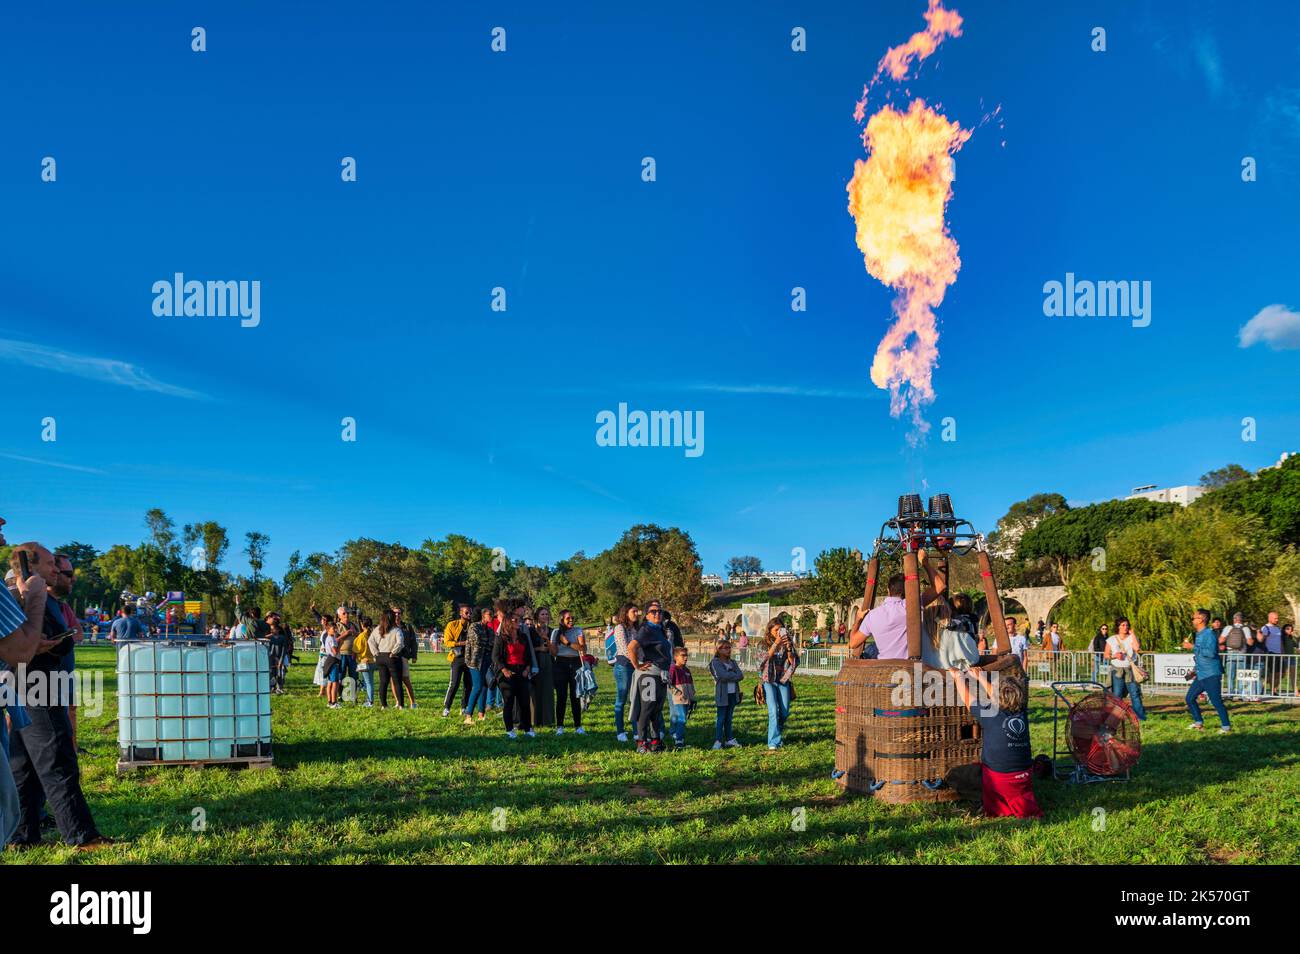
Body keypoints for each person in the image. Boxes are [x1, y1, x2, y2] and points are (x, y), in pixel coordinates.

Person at [5, 542, 107, 849]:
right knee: (58, 762)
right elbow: (17, 646)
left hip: (29, 688)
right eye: (50, 564)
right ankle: (82, 836)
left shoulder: (44, 599)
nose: (56, 570)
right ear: (30, 567)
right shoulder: (21, 596)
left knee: (23, 767)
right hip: (38, 688)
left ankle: (21, 836)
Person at [961, 655, 1042, 819]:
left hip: (999, 780)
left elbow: (967, 698)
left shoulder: (989, 713)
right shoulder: (1022, 712)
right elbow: (1000, 695)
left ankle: (998, 806)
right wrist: (981, 677)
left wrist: (957, 677)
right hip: (1025, 778)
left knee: (977, 769)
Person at [627, 604, 671, 753]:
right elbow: (631, 647)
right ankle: (641, 742)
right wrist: (637, 666)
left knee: (657, 710)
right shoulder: (647, 629)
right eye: (653, 611)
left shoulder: (660, 630)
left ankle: (655, 740)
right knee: (646, 709)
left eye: (660, 611)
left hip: (661, 674)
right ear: (646, 615)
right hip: (649, 675)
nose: (657, 613)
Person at [1183, 608, 1231, 733]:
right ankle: (1198, 722)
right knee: (1189, 698)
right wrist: (1194, 670)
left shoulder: (1209, 634)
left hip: (1211, 674)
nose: (1192, 620)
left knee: (1216, 701)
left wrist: (1192, 647)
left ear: (1202, 619)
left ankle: (1226, 727)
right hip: (1201, 674)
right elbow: (1200, 655)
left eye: (1194, 618)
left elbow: (1211, 653)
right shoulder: (1199, 634)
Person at [756, 621, 798, 751]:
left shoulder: (787, 643)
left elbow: (794, 662)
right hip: (768, 680)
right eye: (776, 630)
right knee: (773, 710)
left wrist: (789, 648)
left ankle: (776, 731)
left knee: (784, 711)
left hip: (782, 679)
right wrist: (776, 643)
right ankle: (773, 742)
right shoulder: (762, 644)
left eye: (781, 629)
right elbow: (762, 659)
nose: (779, 632)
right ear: (770, 630)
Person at [492, 610, 534, 738]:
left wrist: (527, 669)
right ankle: (510, 730)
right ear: (507, 622)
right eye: (514, 620)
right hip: (506, 673)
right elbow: (495, 657)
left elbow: (528, 656)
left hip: (522, 672)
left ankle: (528, 729)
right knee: (508, 702)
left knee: (525, 703)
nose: (517, 622)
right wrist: (504, 670)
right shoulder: (501, 638)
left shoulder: (523, 637)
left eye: (518, 620)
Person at [551, 609, 586, 735]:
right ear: (561, 620)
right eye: (568, 618)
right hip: (560, 664)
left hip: (576, 663)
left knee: (575, 696)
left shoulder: (578, 630)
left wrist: (568, 643)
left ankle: (578, 726)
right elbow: (554, 653)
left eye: (572, 618)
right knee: (561, 697)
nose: (571, 620)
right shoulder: (556, 632)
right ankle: (559, 727)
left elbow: (582, 648)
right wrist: (552, 643)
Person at [1103, 617, 1145, 721]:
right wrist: (1115, 656)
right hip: (1117, 670)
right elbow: (1106, 655)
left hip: (1130, 669)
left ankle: (1139, 716)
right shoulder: (1111, 639)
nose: (1125, 627)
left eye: (1127, 625)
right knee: (1117, 694)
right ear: (1118, 627)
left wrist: (1133, 634)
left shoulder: (1132, 637)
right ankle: (1116, 716)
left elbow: (1137, 648)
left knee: (1134, 693)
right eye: (1123, 625)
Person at [610, 603, 640, 742]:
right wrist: (637, 662)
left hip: (636, 666)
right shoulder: (620, 628)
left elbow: (641, 648)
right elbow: (624, 648)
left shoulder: (637, 628)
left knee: (635, 699)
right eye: (634, 611)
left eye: (637, 611)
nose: (637, 613)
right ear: (626, 613)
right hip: (624, 666)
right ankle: (620, 731)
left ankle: (636, 731)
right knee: (621, 700)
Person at [708, 638, 744, 749]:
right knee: (721, 718)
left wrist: (729, 675)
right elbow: (721, 676)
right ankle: (718, 740)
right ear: (718, 649)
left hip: (733, 694)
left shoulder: (732, 662)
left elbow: (741, 675)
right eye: (725, 648)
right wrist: (733, 675)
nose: (728, 650)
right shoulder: (715, 662)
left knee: (729, 718)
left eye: (729, 647)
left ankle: (729, 739)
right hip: (722, 695)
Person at [441, 604, 473, 717]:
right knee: (454, 684)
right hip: (457, 657)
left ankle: (464, 707)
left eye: (470, 613)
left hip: (470, 658)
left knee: (468, 685)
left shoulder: (472, 626)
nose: (469, 615)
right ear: (461, 613)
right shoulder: (452, 625)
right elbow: (447, 642)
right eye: (466, 613)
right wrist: (461, 643)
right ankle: (447, 708)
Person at [464, 608, 495, 723]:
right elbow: (477, 642)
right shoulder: (474, 627)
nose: (492, 616)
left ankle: (481, 714)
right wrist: (488, 644)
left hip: (487, 661)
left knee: (484, 687)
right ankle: (468, 715)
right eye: (489, 614)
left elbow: (493, 643)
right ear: (483, 615)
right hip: (475, 662)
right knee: (477, 687)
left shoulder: (489, 630)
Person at [528, 607, 556, 729]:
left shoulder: (552, 631)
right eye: (542, 614)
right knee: (535, 691)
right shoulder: (530, 630)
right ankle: (535, 720)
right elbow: (527, 649)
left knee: (547, 691)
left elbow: (555, 651)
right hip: (535, 662)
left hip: (548, 662)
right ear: (537, 616)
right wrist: (539, 649)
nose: (545, 616)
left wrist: (547, 640)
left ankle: (547, 720)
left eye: (546, 614)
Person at [373, 610, 406, 709]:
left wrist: (375, 653)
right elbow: (400, 643)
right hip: (392, 657)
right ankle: (400, 705)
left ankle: (384, 705)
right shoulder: (396, 630)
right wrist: (393, 652)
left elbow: (370, 641)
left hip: (380, 656)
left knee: (383, 682)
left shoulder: (378, 629)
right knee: (397, 681)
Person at [1220, 612, 1253, 699]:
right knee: (1241, 675)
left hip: (1230, 653)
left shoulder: (1228, 627)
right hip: (1242, 653)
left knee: (1230, 675)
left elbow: (1221, 640)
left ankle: (1230, 694)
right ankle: (1240, 694)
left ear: (1234, 619)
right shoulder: (1246, 628)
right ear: (1241, 619)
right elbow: (1250, 642)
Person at [667, 646, 696, 749]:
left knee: (680, 719)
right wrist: (678, 693)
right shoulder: (672, 669)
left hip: (687, 700)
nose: (685, 658)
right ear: (675, 657)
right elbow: (668, 684)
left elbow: (691, 684)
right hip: (679, 700)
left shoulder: (687, 670)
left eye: (686, 655)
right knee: (682, 719)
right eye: (682, 655)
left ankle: (674, 734)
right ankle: (679, 741)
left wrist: (692, 697)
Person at [393, 607, 418, 708]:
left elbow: (413, 642)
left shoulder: (407, 627)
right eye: (395, 613)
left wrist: (414, 655)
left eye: (399, 613)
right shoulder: (389, 626)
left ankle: (413, 702)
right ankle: (397, 702)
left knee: (405, 679)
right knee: (393, 680)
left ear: (401, 614)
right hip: (392, 656)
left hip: (403, 655)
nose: (397, 615)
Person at [1258, 611, 1284, 695]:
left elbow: (1280, 642)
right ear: (1270, 618)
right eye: (1275, 618)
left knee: (1279, 673)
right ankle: (1262, 687)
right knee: (1269, 673)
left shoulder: (1278, 628)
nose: (1277, 620)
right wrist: (1258, 633)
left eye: (1277, 618)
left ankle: (1274, 690)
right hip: (1270, 653)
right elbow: (1261, 640)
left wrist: (1282, 653)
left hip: (1279, 654)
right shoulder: (1265, 628)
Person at [320, 619, 342, 708]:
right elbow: (335, 651)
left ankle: (329, 701)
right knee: (335, 682)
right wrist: (340, 644)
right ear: (328, 629)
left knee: (330, 682)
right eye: (333, 628)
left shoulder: (328, 638)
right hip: (333, 661)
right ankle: (334, 702)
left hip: (329, 660)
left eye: (335, 628)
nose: (335, 630)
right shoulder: (332, 639)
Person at [353, 616, 375, 706]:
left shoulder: (361, 636)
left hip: (364, 662)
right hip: (373, 661)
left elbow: (355, 649)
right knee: (370, 682)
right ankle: (369, 700)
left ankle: (370, 701)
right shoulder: (372, 634)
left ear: (362, 625)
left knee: (368, 683)